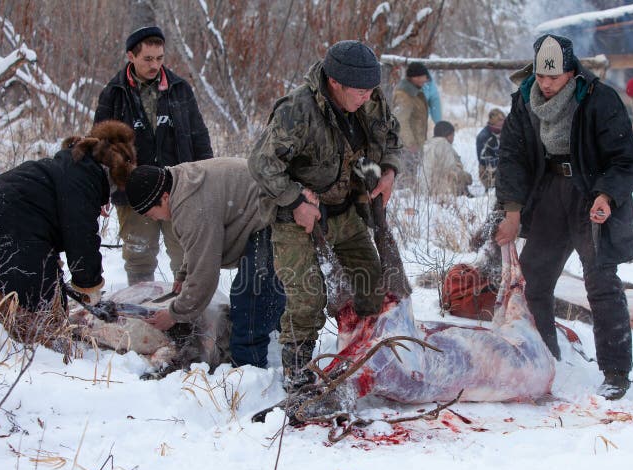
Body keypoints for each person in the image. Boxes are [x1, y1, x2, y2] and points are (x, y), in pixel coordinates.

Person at [494, 34, 633, 400]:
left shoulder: (598, 99)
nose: (546, 84)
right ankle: (545, 357)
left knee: (600, 280)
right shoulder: (523, 101)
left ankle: (615, 370)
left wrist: (606, 195)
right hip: (548, 192)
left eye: (554, 78)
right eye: (541, 77)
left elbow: (627, 158)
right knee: (533, 281)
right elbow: (511, 158)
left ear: (571, 72)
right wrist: (512, 211)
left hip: (589, 192)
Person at [248, 40, 401, 388]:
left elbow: (391, 136)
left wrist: (389, 170)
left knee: (372, 282)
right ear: (335, 83)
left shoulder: (370, 99)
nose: (367, 97)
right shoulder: (297, 111)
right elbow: (261, 162)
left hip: (345, 210)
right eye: (360, 91)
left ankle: (364, 358)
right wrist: (294, 201)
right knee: (308, 298)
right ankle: (297, 378)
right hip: (295, 217)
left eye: (371, 89)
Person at [0, 120, 136, 351]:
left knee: (14, 320)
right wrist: (89, 289)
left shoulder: (70, 166)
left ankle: (18, 348)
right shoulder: (83, 181)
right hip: (8, 237)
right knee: (49, 332)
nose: (109, 198)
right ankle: (47, 365)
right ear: (110, 174)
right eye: (112, 188)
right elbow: (82, 242)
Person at [125, 159, 285, 368]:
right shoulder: (176, 180)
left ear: (164, 197)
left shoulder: (190, 205)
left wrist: (174, 314)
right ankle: (280, 339)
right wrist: (184, 273)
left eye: (150, 213)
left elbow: (205, 276)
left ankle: (248, 371)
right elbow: (197, 246)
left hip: (272, 217)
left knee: (249, 296)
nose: (154, 219)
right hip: (262, 212)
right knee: (263, 292)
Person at [95, 25, 213, 286]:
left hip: (179, 189)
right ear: (131, 56)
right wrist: (100, 189)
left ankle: (188, 316)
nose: (155, 65)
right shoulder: (114, 93)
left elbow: (199, 137)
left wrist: (207, 178)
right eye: (148, 59)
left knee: (185, 255)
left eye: (159, 58)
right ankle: (143, 314)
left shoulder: (180, 88)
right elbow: (99, 147)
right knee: (139, 256)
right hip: (131, 191)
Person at [393, 61, 430, 178]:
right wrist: (410, 143)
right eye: (422, 76)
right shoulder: (404, 94)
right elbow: (401, 121)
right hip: (406, 146)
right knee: (405, 178)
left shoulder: (415, 92)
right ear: (415, 77)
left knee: (411, 176)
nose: (425, 79)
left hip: (414, 144)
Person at [421, 121, 472, 197]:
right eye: (452, 135)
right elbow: (451, 169)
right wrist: (466, 177)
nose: (453, 138)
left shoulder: (429, 145)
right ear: (447, 134)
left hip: (427, 190)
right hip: (441, 191)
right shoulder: (443, 145)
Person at [476, 108, 505, 189]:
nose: (502, 122)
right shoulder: (484, 136)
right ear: (493, 121)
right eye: (499, 120)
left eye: (503, 119)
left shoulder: (505, 131)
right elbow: (482, 159)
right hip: (489, 171)